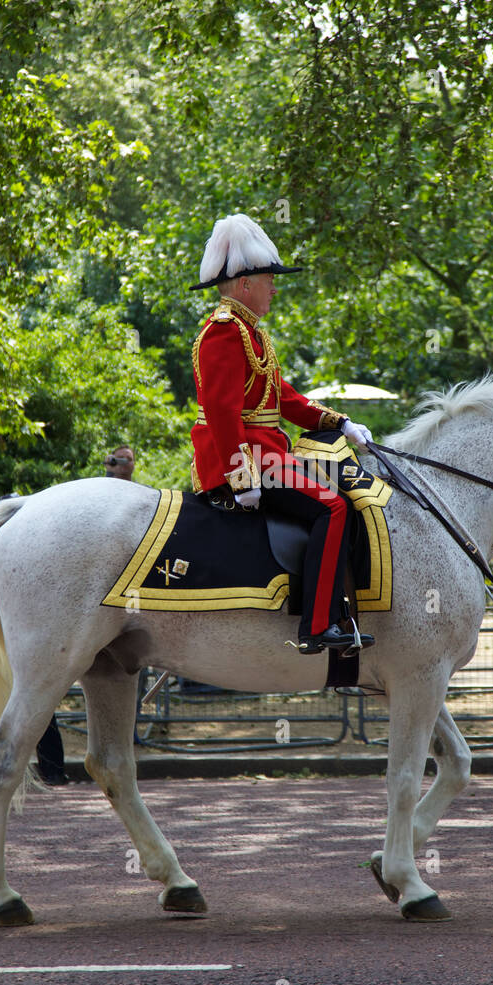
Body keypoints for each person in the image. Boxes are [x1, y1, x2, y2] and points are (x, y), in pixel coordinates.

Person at [189, 212, 374, 654]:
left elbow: (283, 398)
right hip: (246, 459)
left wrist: (338, 422)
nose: (275, 286)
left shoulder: (250, 333)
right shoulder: (223, 331)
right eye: (270, 278)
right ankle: (317, 624)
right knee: (332, 507)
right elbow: (221, 412)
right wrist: (243, 476)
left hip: (266, 453)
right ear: (246, 283)